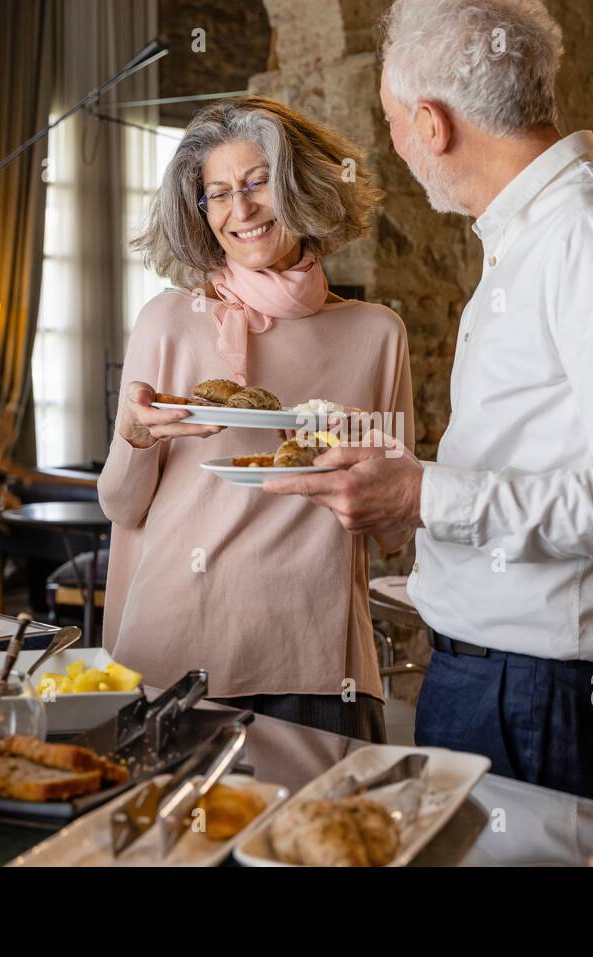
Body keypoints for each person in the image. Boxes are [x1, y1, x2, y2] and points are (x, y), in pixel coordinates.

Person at [265, 0, 593, 810]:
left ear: (431, 124)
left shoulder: (590, 240)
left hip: (545, 703)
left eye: (393, 124)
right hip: (510, 688)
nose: (397, 146)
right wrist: (419, 506)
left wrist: (423, 492)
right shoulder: (540, 235)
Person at [99, 96, 415, 742]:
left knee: (327, 842)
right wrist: (133, 437)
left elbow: (395, 525)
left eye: (256, 183)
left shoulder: (377, 333)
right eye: (216, 194)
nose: (237, 211)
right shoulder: (169, 319)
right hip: (178, 647)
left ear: (302, 186)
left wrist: (370, 461)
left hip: (316, 658)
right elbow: (122, 507)